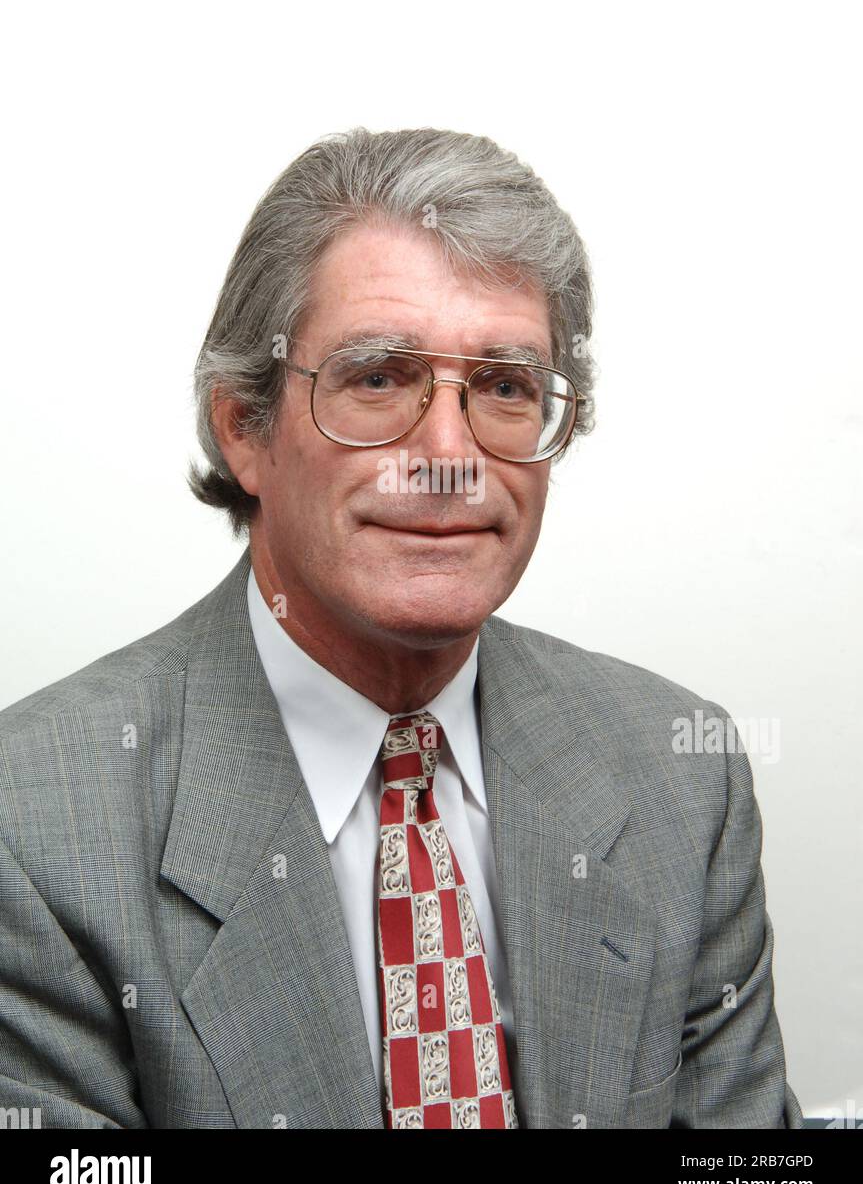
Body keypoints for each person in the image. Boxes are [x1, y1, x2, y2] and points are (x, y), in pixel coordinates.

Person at [0, 128, 802, 1128]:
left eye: (504, 387)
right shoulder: (31, 830)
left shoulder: (681, 780)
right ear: (244, 428)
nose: (447, 458)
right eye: (376, 377)